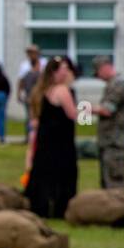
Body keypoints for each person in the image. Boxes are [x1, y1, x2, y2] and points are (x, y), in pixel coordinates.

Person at [24, 56, 79, 218]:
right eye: (64, 69)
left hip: (45, 139)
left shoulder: (43, 90)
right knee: (64, 173)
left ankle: (40, 206)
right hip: (61, 140)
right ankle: (61, 207)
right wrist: (93, 110)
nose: (68, 72)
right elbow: (73, 115)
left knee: (44, 173)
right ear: (56, 72)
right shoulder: (62, 90)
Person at [92, 55, 124, 189]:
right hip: (108, 142)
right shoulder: (111, 85)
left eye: (98, 73)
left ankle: (122, 210)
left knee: (115, 185)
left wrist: (85, 108)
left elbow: (107, 110)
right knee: (106, 183)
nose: (98, 77)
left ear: (105, 67)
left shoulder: (118, 84)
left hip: (115, 142)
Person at [17, 44, 43, 146]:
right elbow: (21, 81)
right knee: (29, 117)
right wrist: (19, 93)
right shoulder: (24, 65)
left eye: (32, 52)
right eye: (29, 53)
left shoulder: (43, 64)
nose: (30, 54)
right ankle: (29, 137)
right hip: (29, 95)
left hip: (39, 96)